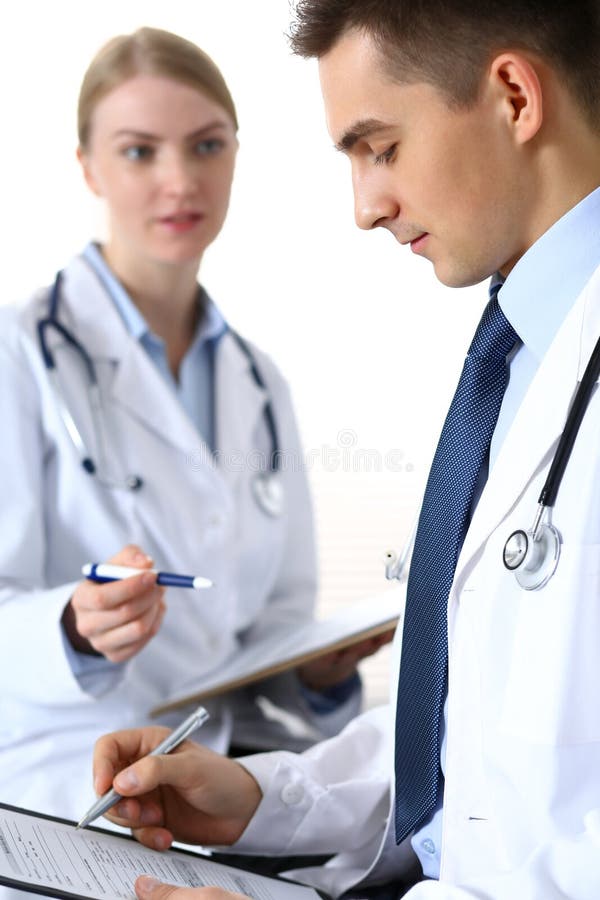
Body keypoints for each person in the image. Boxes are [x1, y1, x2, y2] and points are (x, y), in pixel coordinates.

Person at [91, 1, 600, 898]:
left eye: (381, 148)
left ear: (516, 98)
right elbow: (488, 746)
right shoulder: (520, 346)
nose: (367, 209)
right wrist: (266, 797)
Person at [0, 25, 390, 830]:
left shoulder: (260, 382)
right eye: (140, 152)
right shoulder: (19, 353)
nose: (180, 180)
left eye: (206, 145)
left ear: (236, 154)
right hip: (61, 778)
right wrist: (73, 627)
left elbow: (270, 628)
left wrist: (315, 674)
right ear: (89, 167)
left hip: (211, 774)